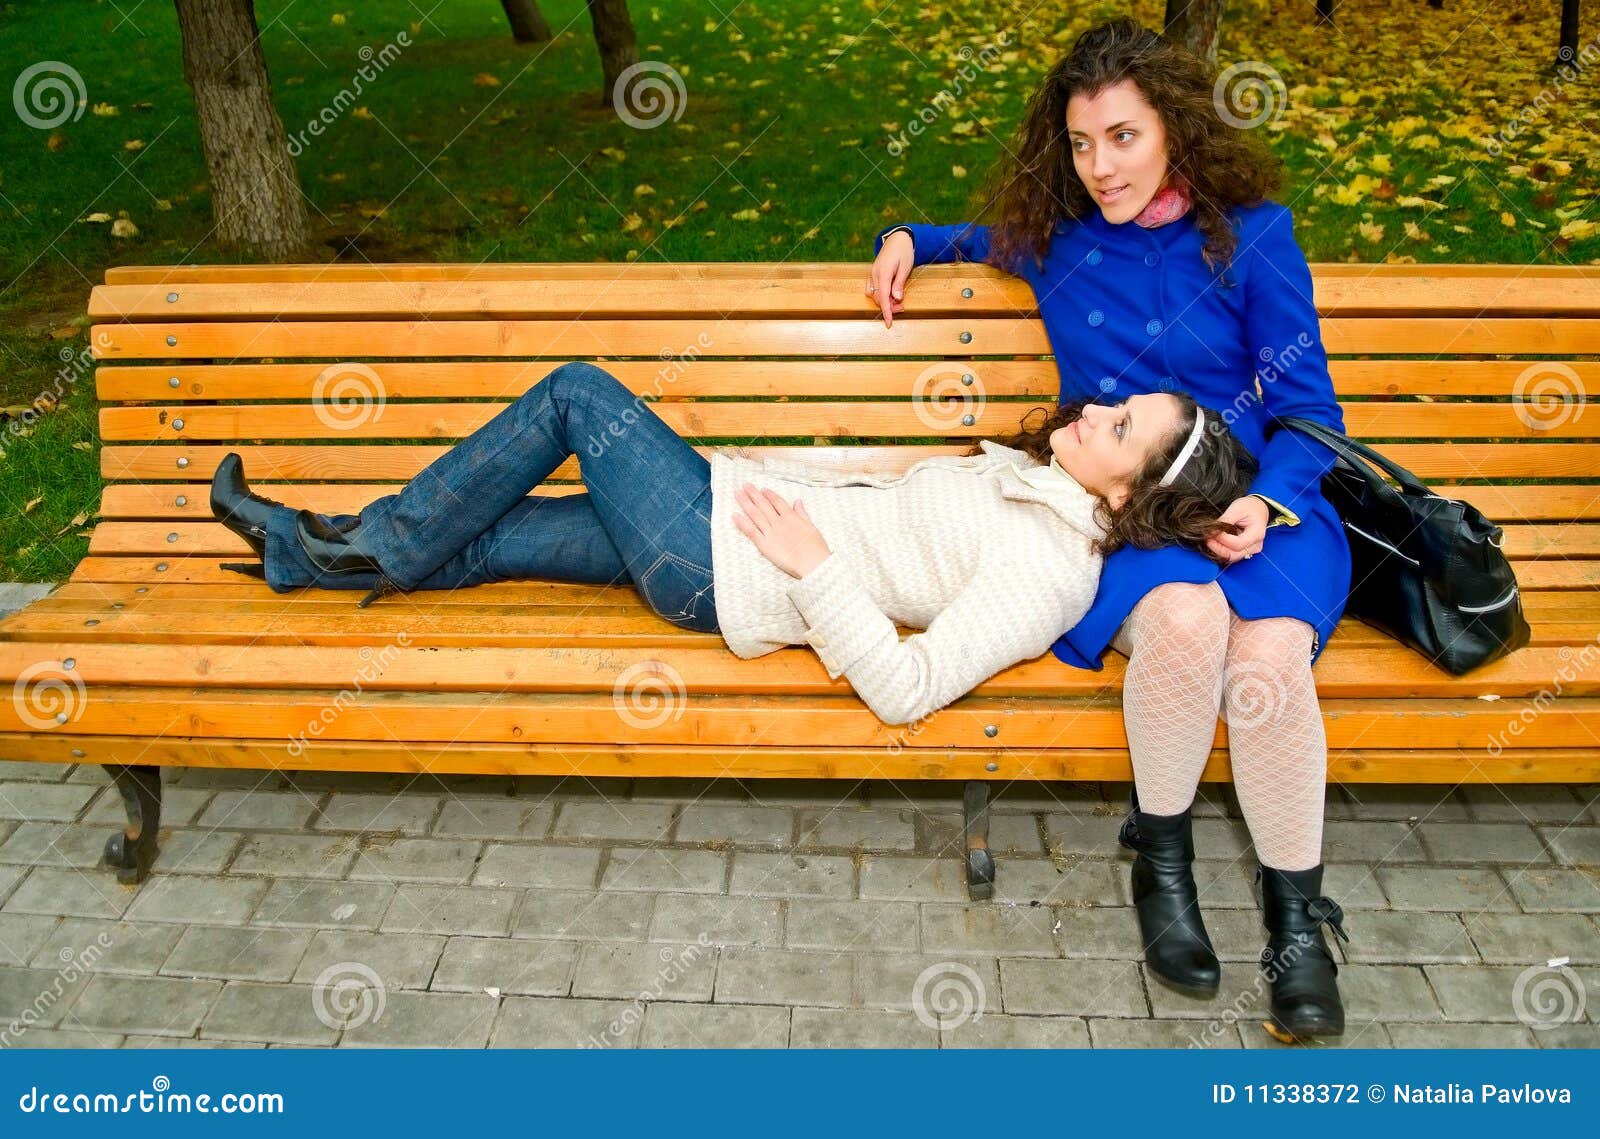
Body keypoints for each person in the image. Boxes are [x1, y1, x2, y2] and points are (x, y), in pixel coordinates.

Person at [868, 17, 1354, 1040]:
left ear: (1174, 126)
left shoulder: (1254, 234)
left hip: (1268, 502)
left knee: (1266, 652)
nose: (1100, 168)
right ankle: (1164, 869)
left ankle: (1294, 922)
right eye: (1082, 144)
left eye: (1124, 138)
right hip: (1127, 517)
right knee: (1180, 620)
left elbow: (1310, 410)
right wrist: (906, 237)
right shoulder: (1056, 235)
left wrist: (1263, 501)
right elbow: (962, 236)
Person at [211, 359, 1253, 728]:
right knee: (498, 535)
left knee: (579, 393)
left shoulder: (1047, 571)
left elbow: (908, 686)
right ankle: (305, 553)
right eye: (1117, 402)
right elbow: (872, 506)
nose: (1099, 409)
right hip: (724, 517)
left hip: (722, 568)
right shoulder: (1039, 483)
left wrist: (816, 565)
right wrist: (762, 476)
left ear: (1132, 493)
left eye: (1122, 427)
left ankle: (360, 548)